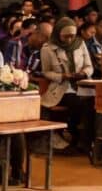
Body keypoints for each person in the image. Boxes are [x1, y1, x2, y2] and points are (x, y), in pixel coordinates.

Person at [40, 16, 96, 152]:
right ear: (58, 34)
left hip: (81, 85)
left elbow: (89, 66)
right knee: (78, 103)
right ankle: (76, 135)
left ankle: (85, 140)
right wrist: (63, 76)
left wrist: (83, 73)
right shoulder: (47, 48)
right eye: (66, 37)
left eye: (72, 36)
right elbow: (46, 72)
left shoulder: (80, 44)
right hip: (61, 88)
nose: (69, 40)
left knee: (93, 103)